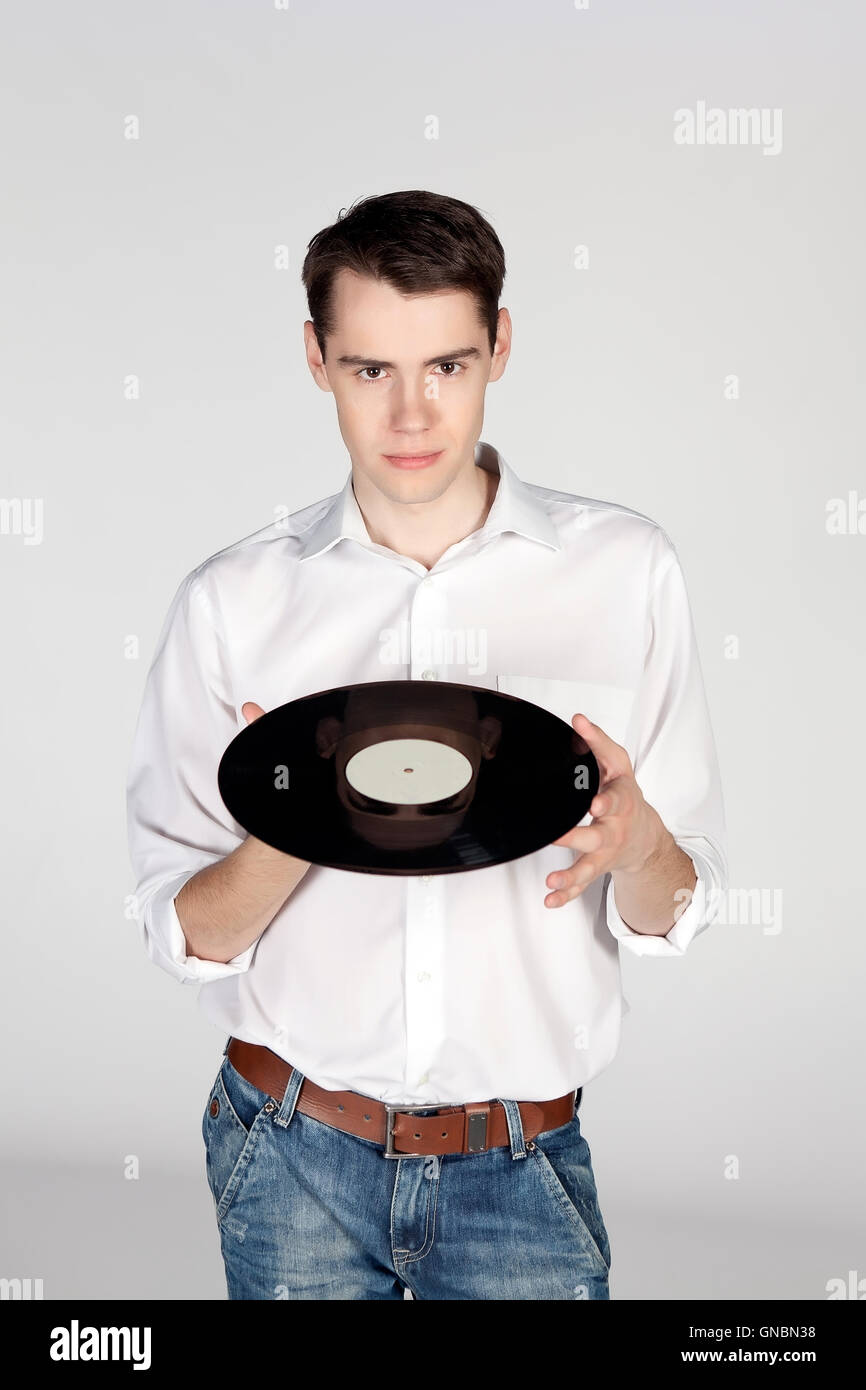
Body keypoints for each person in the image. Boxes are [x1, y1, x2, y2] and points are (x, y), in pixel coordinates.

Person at [126, 189, 728, 1301]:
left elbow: (673, 906)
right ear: (315, 358)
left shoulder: (626, 571)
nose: (410, 415)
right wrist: (298, 822)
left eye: (445, 366)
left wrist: (636, 840)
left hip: (521, 1164)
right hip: (289, 1153)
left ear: (499, 344)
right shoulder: (235, 601)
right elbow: (182, 931)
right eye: (369, 371)